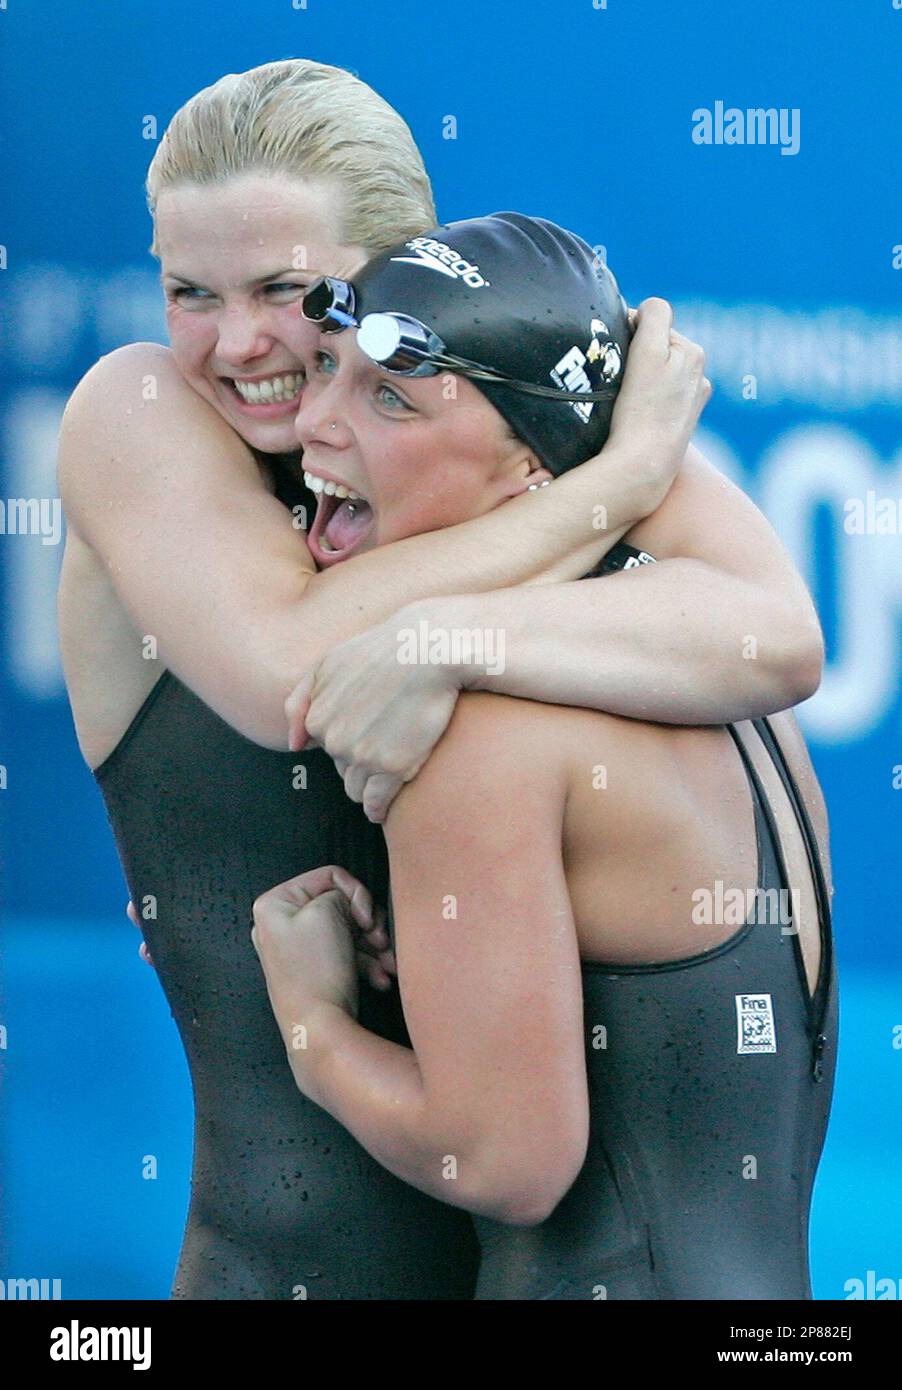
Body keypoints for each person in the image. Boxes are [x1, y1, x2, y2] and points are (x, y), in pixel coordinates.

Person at [57, 59, 822, 1300]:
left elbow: (774, 635)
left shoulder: (485, 395)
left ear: (398, 271)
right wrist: (612, 487)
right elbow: (292, 672)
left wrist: (455, 635)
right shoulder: (136, 414)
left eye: (288, 291)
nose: (237, 343)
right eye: (187, 289)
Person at [251, 212, 838, 1300]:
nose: (312, 423)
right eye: (324, 367)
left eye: (388, 396)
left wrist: (309, 1022)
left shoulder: (469, 733)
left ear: (532, 466)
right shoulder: (721, 687)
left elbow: (503, 1161)